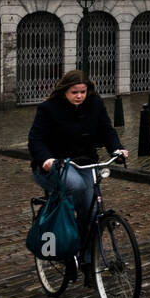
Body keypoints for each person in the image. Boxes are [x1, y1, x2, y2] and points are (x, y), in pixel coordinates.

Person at [27, 71, 126, 281]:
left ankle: (87, 260)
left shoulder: (95, 104)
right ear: (64, 91)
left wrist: (116, 150)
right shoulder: (48, 109)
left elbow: (107, 130)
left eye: (83, 92)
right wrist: (46, 159)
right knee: (77, 187)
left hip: (85, 162)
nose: (79, 96)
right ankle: (64, 244)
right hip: (55, 165)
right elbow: (35, 139)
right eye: (75, 92)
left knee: (92, 213)